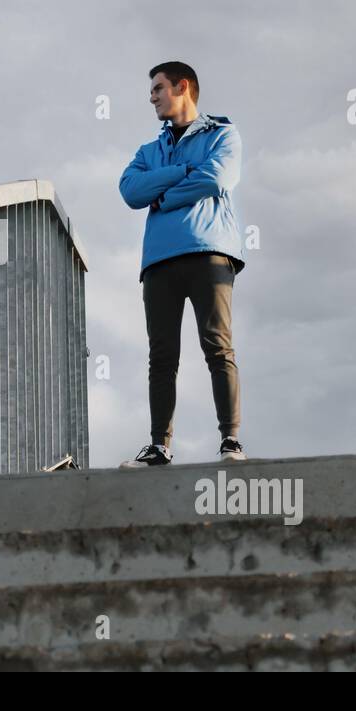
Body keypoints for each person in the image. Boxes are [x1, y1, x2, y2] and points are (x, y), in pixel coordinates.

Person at [117, 61, 247, 467]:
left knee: (217, 347)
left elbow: (216, 178)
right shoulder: (148, 151)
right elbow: (130, 190)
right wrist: (180, 170)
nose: (151, 96)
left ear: (182, 87)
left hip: (210, 252)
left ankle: (230, 442)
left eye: (158, 88)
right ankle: (159, 445)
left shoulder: (223, 133)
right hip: (158, 262)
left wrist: (165, 195)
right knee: (162, 357)